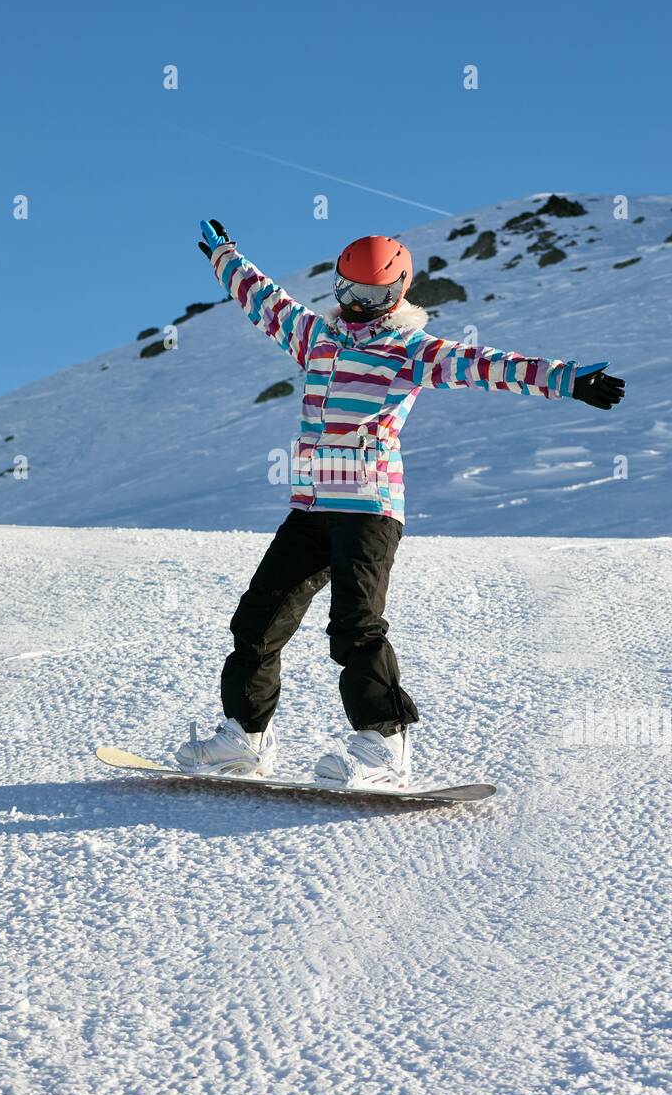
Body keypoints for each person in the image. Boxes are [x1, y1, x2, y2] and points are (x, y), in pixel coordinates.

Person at [177, 219, 625, 789]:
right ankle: (244, 739)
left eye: (374, 296)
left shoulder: (410, 350)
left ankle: (384, 746)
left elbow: (483, 364)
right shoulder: (314, 337)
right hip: (311, 506)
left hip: (369, 506)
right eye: (350, 292)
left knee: (355, 628)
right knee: (257, 623)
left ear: (398, 294)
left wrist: (565, 380)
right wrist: (226, 258)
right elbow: (264, 300)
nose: (360, 305)